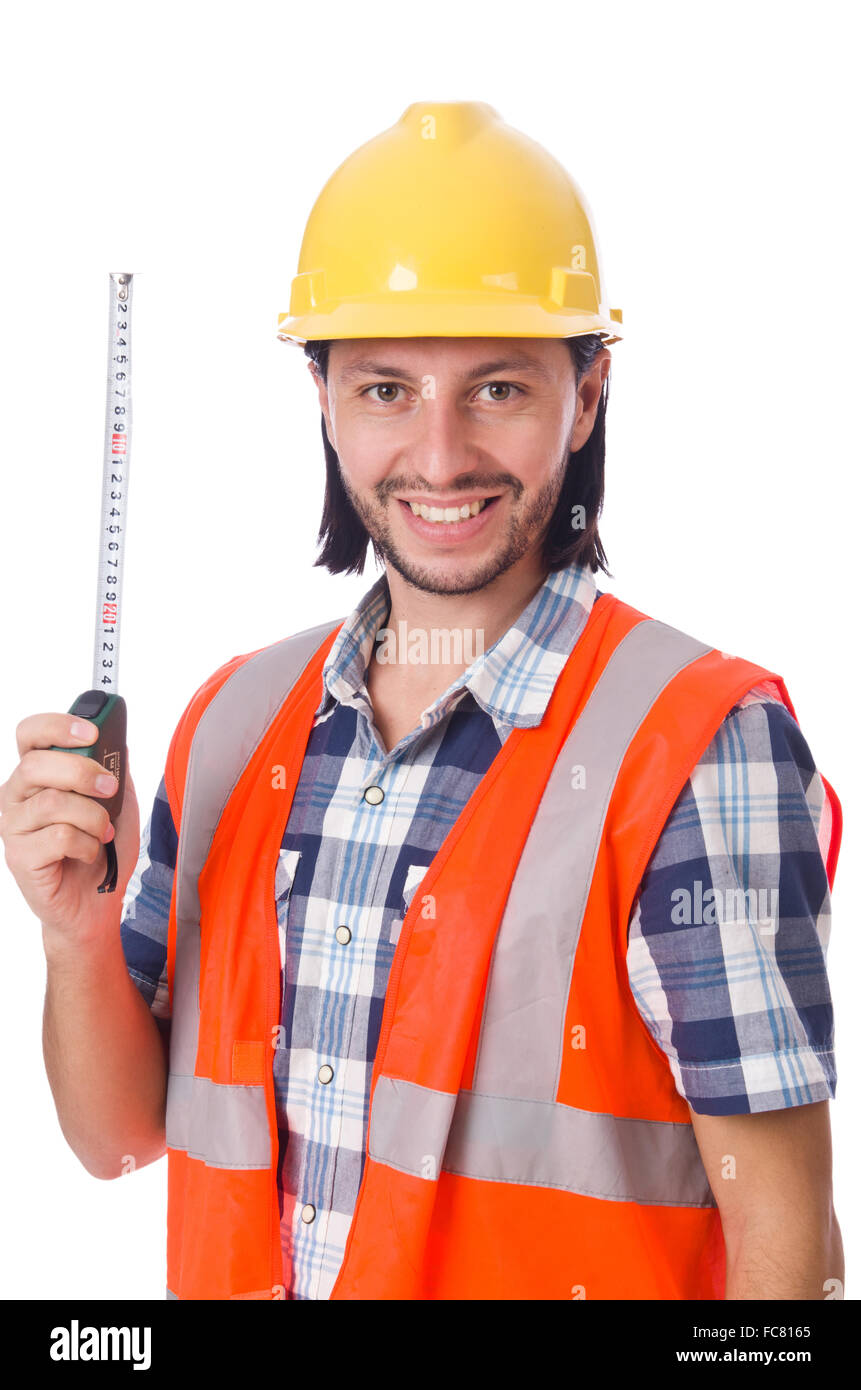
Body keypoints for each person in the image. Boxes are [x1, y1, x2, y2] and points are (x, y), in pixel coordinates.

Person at [0, 101, 843, 1301]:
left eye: (497, 388)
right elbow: (116, 1138)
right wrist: (74, 933)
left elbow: (788, 1248)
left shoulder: (700, 746)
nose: (441, 457)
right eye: (388, 389)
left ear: (587, 395)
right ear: (324, 397)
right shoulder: (233, 722)